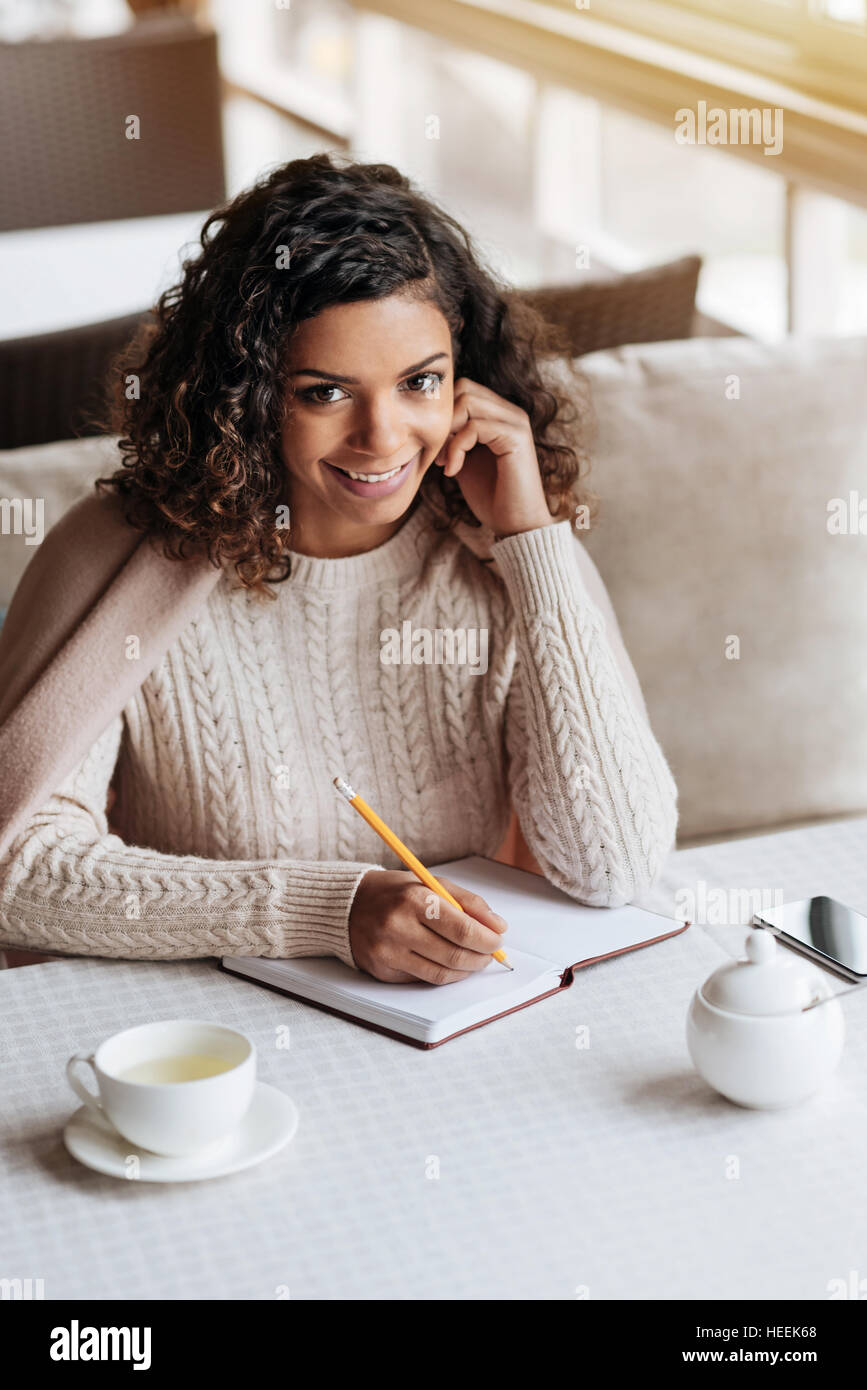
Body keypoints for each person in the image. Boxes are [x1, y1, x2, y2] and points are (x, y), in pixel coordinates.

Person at [0, 153, 678, 984]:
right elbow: (17, 869)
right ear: (244, 396)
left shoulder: (504, 550)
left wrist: (532, 543)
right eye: (324, 393)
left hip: (444, 1029)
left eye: (419, 383)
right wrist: (326, 912)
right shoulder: (112, 554)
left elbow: (614, 864)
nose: (384, 438)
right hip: (209, 1047)